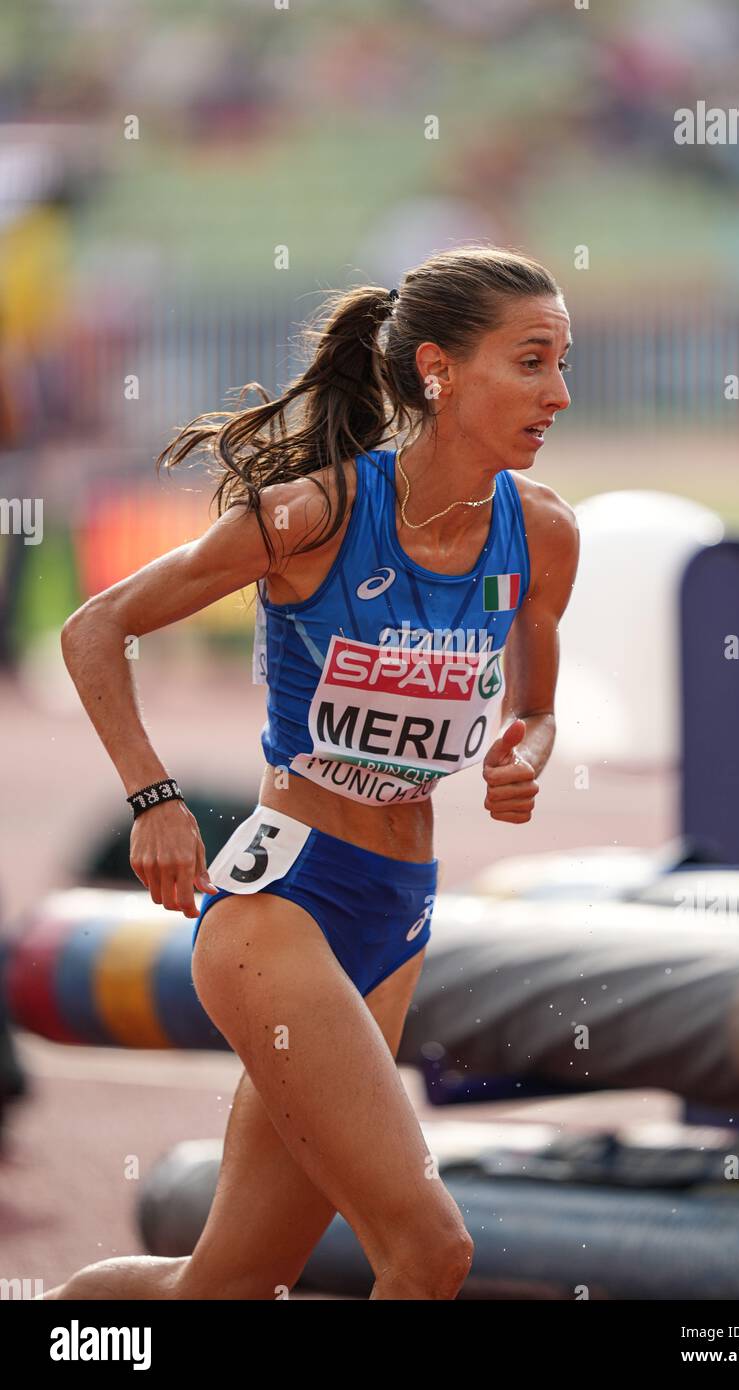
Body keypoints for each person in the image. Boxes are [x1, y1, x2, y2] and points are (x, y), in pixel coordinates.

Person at [49, 245, 579, 1301]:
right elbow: (96, 627)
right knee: (429, 1249)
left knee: (230, 1281)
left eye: (563, 364)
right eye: (529, 362)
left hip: (396, 913)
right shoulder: (316, 515)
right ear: (435, 368)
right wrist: (154, 797)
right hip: (280, 903)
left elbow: (532, 710)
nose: (556, 394)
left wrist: (524, 751)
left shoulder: (543, 535)